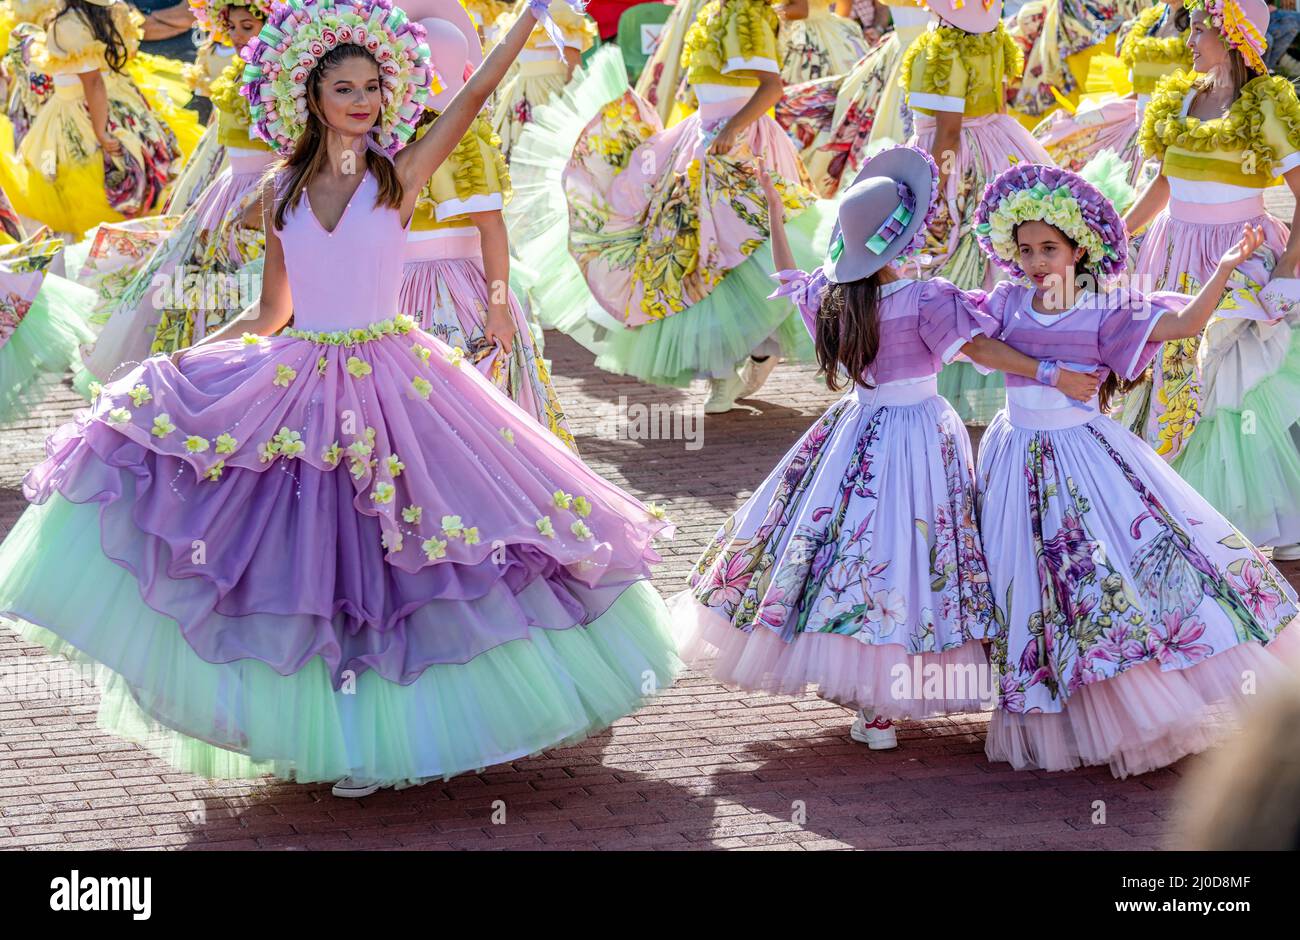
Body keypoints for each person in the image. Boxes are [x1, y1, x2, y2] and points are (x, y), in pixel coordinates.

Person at [0, 0, 682, 797]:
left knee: (402, 555)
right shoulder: (285, 190)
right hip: (300, 382)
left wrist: (529, 18)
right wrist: (186, 358)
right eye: (344, 88)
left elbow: (472, 97)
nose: (361, 101)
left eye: (371, 87)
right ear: (313, 98)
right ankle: (340, 731)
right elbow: (270, 314)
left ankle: (388, 735)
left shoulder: (401, 175)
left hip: (396, 380)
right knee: (320, 568)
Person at [674, 147, 1101, 749]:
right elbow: (981, 350)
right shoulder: (927, 299)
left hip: (857, 428)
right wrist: (1051, 372)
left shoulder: (832, 296)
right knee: (916, 550)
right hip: (922, 434)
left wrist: (775, 209)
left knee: (853, 546)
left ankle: (867, 704)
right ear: (899, 242)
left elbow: (791, 276)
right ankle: (883, 704)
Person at [970, 163, 1299, 777]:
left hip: (1081, 459)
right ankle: (1051, 702)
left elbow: (1184, 325)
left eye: (1050, 248)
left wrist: (1225, 268)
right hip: (1014, 454)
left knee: (1100, 579)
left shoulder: (1104, 306)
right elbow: (977, 346)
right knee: (1024, 579)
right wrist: (1050, 373)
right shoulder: (1007, 299)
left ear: (1078, 248)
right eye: (1026, 249)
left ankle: (1116, 703)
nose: (1037, 261)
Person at [509, 0, 835, 414]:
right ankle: (725, 370)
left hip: (741, 148)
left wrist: (733, 128)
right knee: (692, 260)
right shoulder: (711, 14)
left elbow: (770, 87)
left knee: (740, 257)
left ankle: (754, 352)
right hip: (701, 142)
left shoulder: (749, 13)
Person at [1122, 0, 1300, 560]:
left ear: (1235, 38)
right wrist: (1108, 236)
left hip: (1236, 258)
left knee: (1227, 391)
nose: (1190, 39)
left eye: (1200, 30)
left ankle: (1233, 518)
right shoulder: (1179, 97)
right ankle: (1179, 509)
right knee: (1168, 381)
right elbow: (1164, 188)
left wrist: (1288, 273)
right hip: (1172, 257)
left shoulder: (1264, 105)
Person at [398, 0, 576, 448]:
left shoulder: (466, 143)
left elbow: (492, 231)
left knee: (468, 406)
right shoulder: (384, 136)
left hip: (461, 290)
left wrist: (498, 306)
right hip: (396, 285)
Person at [74, 0, 274, 391]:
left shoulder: (285, 78)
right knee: (188, 283)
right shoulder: (240, 69)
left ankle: (229, 375)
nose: (237, 37)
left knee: (241, 286)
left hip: (259, 194)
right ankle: (190, 376)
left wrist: (261, 199)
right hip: (223, 190)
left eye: (248, 26)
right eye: (231, 27)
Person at [900, 0, 1053, 425]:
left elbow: (947, 129)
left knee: (944, 256)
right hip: (997, 144)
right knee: (998, 259)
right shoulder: (990, 39)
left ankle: (952, 375)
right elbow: (994, 107)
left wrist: (928, 187)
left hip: (956, 160)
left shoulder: (943, 48)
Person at [0, 0, 198, 239]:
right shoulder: (109, 12)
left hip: (84, 111)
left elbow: (93, 83)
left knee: (85, 178)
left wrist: (101, 131)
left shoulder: (67, 25)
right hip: (119, 99)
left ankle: (109, 242)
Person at [1033, 0, 1192, 186]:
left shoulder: (1202, 24)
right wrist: (1098, 113)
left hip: (1175, 138)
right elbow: (1140, 90)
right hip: (1136, 127)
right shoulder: (1151, 20)